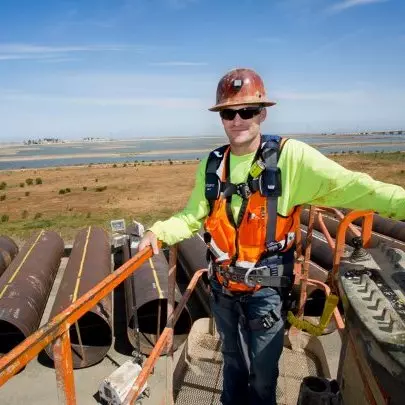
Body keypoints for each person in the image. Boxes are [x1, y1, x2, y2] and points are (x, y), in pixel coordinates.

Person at [139, 68, 405, 405]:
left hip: (266, 291)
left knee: (264, 377)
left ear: (262, 112)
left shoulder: (290, 159)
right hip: (222, 289)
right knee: (233, 365)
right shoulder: (212, 165)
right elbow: (194, 215)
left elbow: (357, 187)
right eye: (229, 113)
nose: (238, 120)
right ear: (221, 117)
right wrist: (157, 232)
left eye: (248, 111)